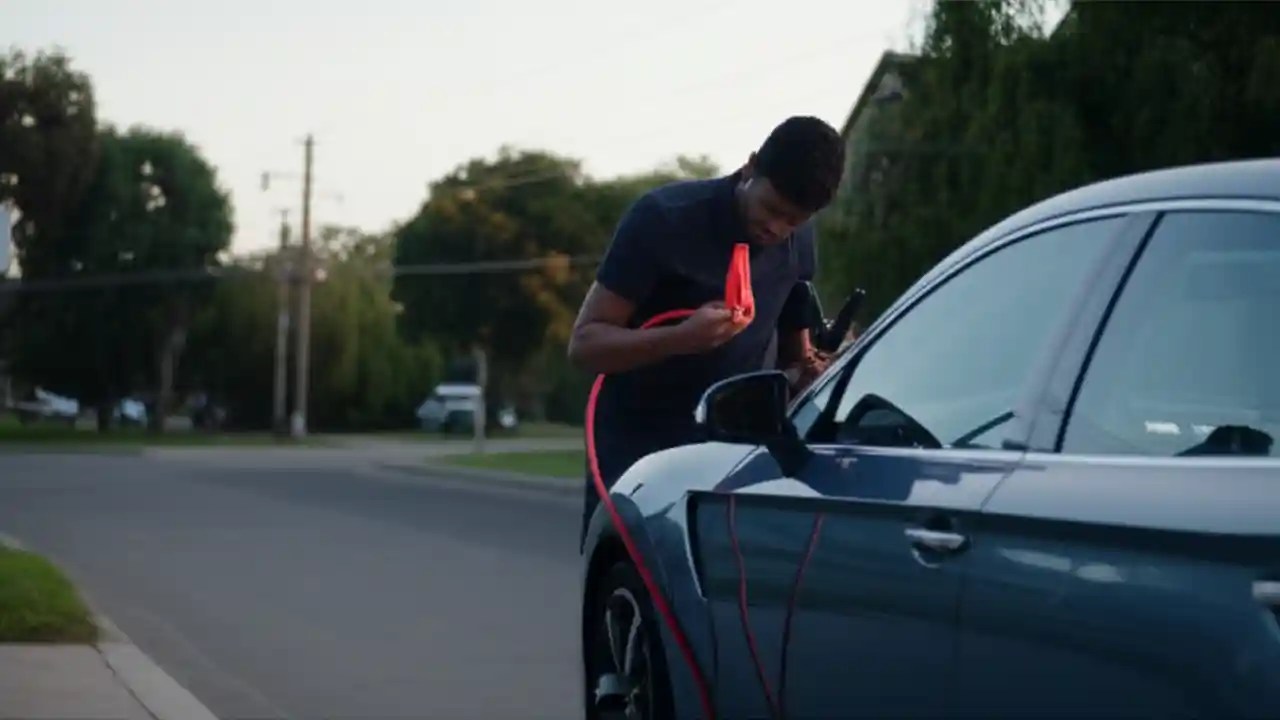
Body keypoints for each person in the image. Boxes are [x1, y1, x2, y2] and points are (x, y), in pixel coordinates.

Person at [568, 115, 846, 546]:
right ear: (750, 167)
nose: (777, 229)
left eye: (793, 220)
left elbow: (797, 356)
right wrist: (682, 338)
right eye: (771, 210)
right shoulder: (663, 219)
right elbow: (585, 344)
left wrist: (810, 373)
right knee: (634, 589)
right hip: (638, 453)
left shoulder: (799, 240)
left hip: (732, 457)